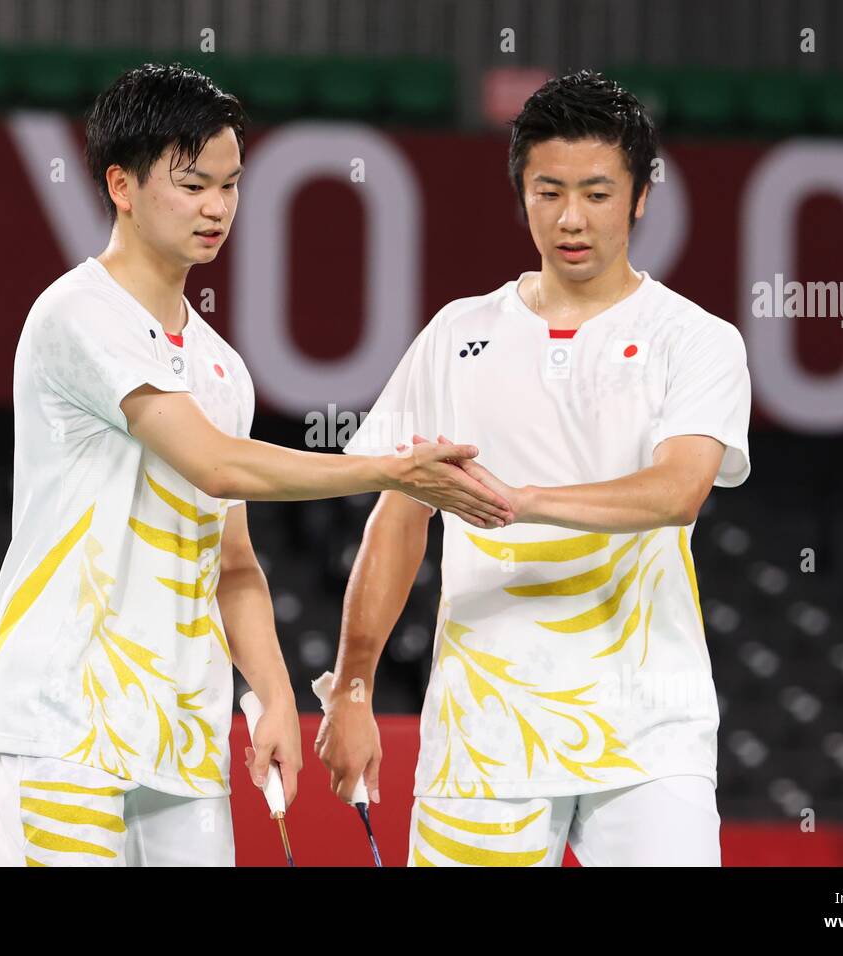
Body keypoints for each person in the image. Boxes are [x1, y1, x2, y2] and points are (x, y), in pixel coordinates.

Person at [0, 63, 512, 867]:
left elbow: (233, 566)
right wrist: (390, 471)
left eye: (230, 185)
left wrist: (271, 696)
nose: (217, 207)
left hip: (183, 730)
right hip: (66, 715)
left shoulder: (223, 369)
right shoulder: (77, 314)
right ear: (121, 186)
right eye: (193, 184)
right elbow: (219, 466)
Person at [316, 70, 752, 866]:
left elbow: (679, 489)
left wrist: (521, 500)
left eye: (596, 192)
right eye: (548, 192)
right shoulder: (456, 333)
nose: (570, 218)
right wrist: (351, 687)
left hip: (649, 731)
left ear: (641, 196)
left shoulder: (696, 339)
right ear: (522, 194)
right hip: (483, 735)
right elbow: (398, 519)